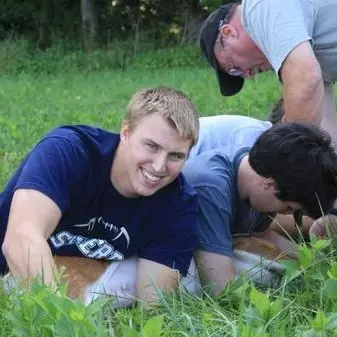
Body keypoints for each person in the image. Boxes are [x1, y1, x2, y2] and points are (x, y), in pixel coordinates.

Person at [0, 87, 200, 304]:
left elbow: (153, 305)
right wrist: (65, 321)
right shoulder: (69, 151)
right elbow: (21, 239)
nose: (159, 166)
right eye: (151, 146)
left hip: (77, 282)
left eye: (176, 156)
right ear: (125, 132)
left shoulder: (179, 204)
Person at [183, 122, 337, 296]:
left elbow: (262, 234)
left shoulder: (262, 176)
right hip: (166, 258)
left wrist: (315, 267)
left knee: (271, 266)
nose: (285, 214)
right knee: (257, 271)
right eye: (288, 208)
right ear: (269, 184)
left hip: (213, 247)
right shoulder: (211, 186)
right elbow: (219, 287)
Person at [199, 1, 337, 146]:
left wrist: (285, 148)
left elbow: (306, 83)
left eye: (235, 68)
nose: (249, 75)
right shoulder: (300, 51)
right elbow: (324, 122)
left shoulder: (260, 7)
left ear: (229, 32)